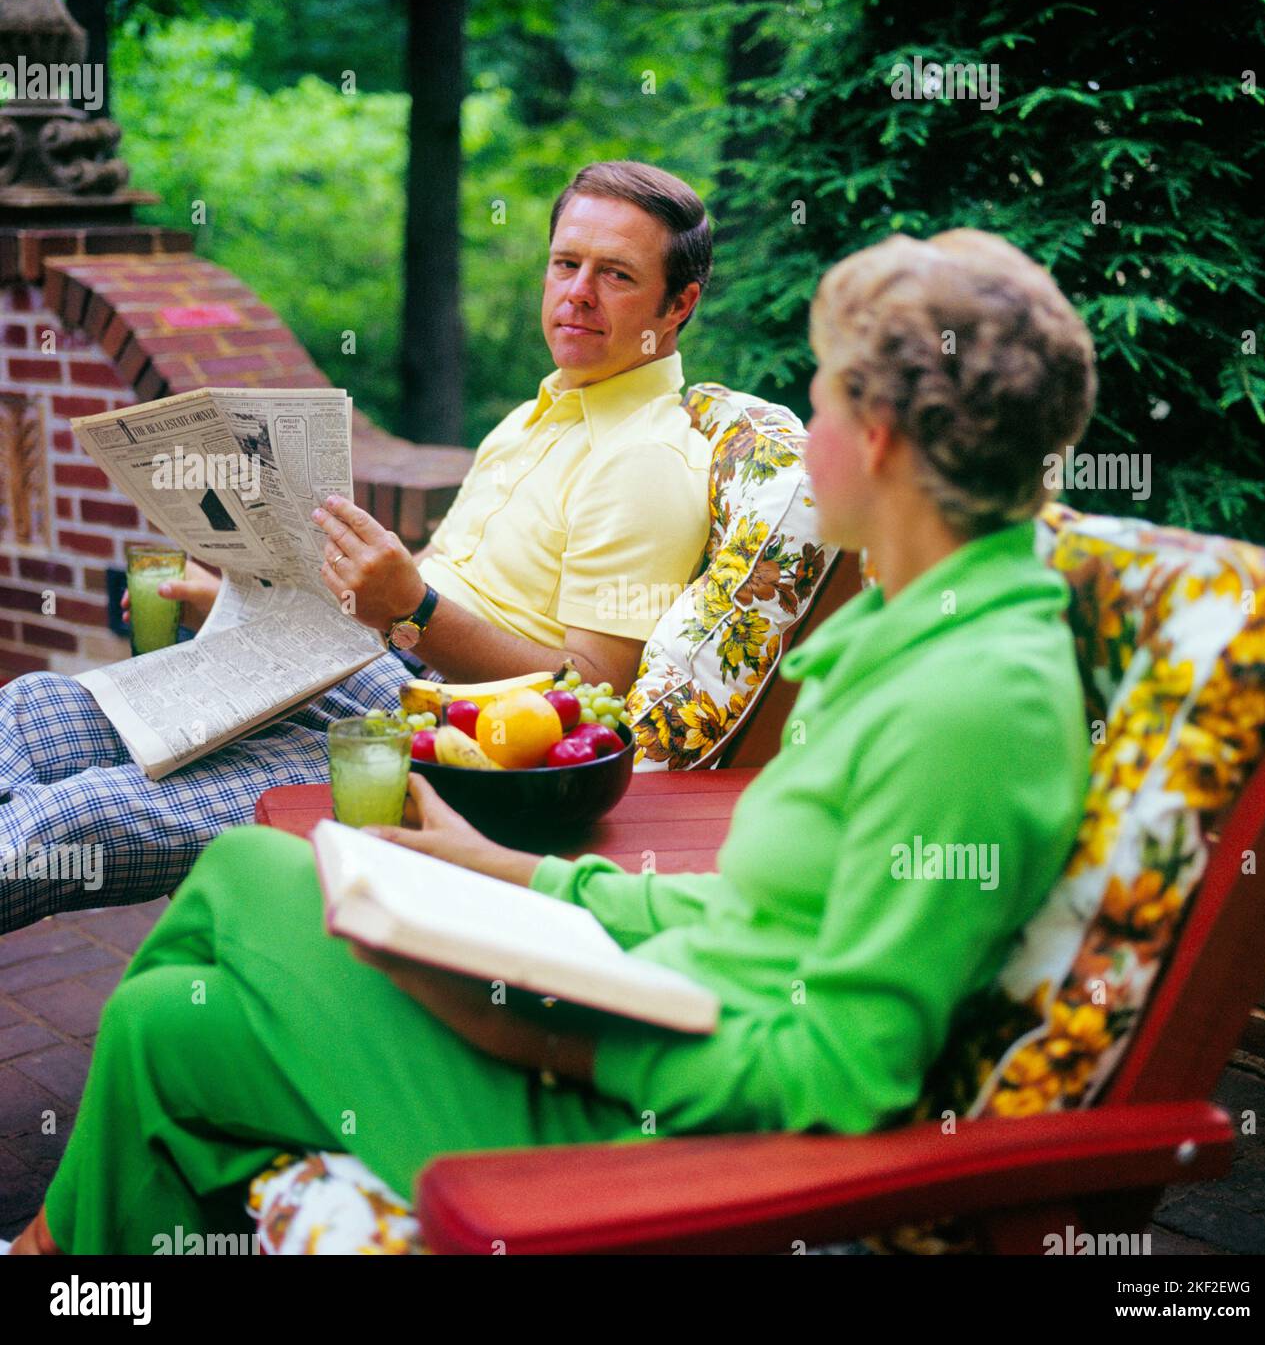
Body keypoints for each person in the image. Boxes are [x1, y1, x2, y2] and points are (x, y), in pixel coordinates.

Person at [8, 228, 1096, 1255]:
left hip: (642, 1144)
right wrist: (518, 878)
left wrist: (541, 1024)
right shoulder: (906, 638)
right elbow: (762, 914)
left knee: (251, 866)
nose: (800, 447)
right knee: (160, 1025)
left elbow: (840, 1072)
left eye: (815, 407)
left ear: (879, 441)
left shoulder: (970, 703)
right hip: (638, 1027)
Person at [0, 161, 713, 934]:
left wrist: (413, 608)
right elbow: (430, 595)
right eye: (566, 263)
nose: (578, 291)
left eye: (616, 275)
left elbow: (593, 692)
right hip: (349, 663)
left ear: (678, 305)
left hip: (433, 742)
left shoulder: (646, 460)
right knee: (27, 710)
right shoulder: (532, 417)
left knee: (71, 822)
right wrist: (262, 598)